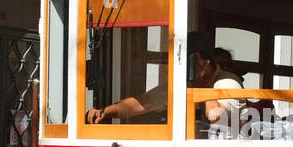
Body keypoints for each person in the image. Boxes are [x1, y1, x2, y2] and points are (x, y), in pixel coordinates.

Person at [86, 31, 241, 126]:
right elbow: (145, 102)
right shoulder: (185, 82)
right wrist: (104, 112)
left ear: (201, 60)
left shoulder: (228, 82)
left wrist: (203, 86)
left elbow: (215, 117)